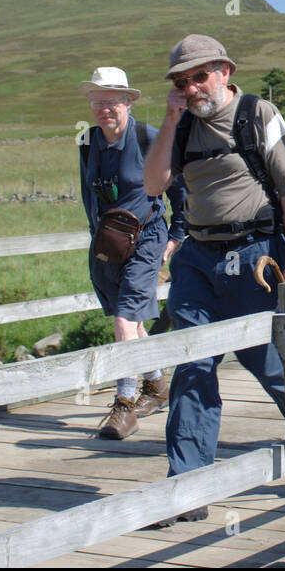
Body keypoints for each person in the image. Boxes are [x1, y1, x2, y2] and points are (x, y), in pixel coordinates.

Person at [142, 35, 285, 502]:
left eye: (200, 76)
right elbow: (155, 184)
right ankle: (188, 485)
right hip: (197, 260)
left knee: (274, 366)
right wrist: (171, 117)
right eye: (182, 81)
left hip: (256, 255)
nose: (193, 88)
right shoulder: (180, 124)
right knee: (192, 364)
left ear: (225, 72)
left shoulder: (258, 114)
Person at [77, 67, 171, 439]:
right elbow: (88, 194)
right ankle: (158, 384)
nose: (104, 110)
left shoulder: (149, 138)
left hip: (147, 238)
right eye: (97, 102)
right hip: (109, 242)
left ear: (128, 101)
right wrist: (95, 238)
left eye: (112, 102)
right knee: (132, 323)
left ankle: (125, 405)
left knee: (122, 322)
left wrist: (174, 237)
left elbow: (175, 191)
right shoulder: (87, 142)